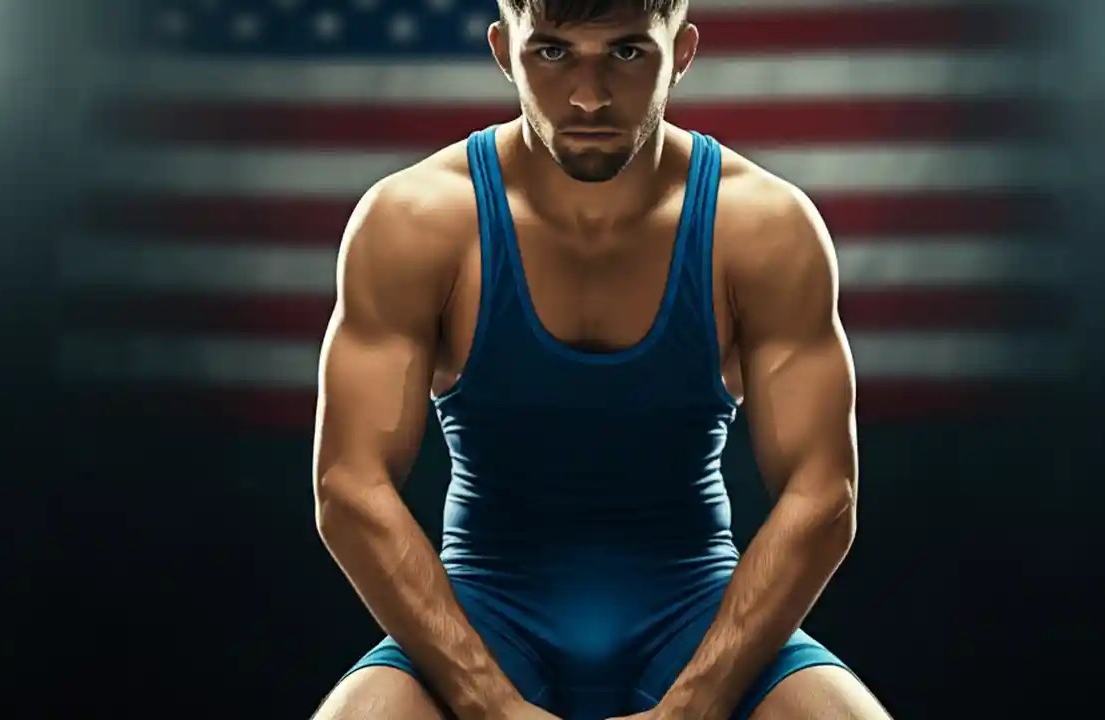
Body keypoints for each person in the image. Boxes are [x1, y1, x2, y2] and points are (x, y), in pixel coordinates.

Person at [310, 1, 891, 718]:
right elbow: (349, 485)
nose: (588, 96)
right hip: (485, 618)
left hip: (698, 617)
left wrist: (694, 706)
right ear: (503, 50)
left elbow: (823, 492)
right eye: (552, 54)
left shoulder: (763, 228)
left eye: (626, 54)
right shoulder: (417, 221)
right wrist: (490, 704)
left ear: (681, 50)